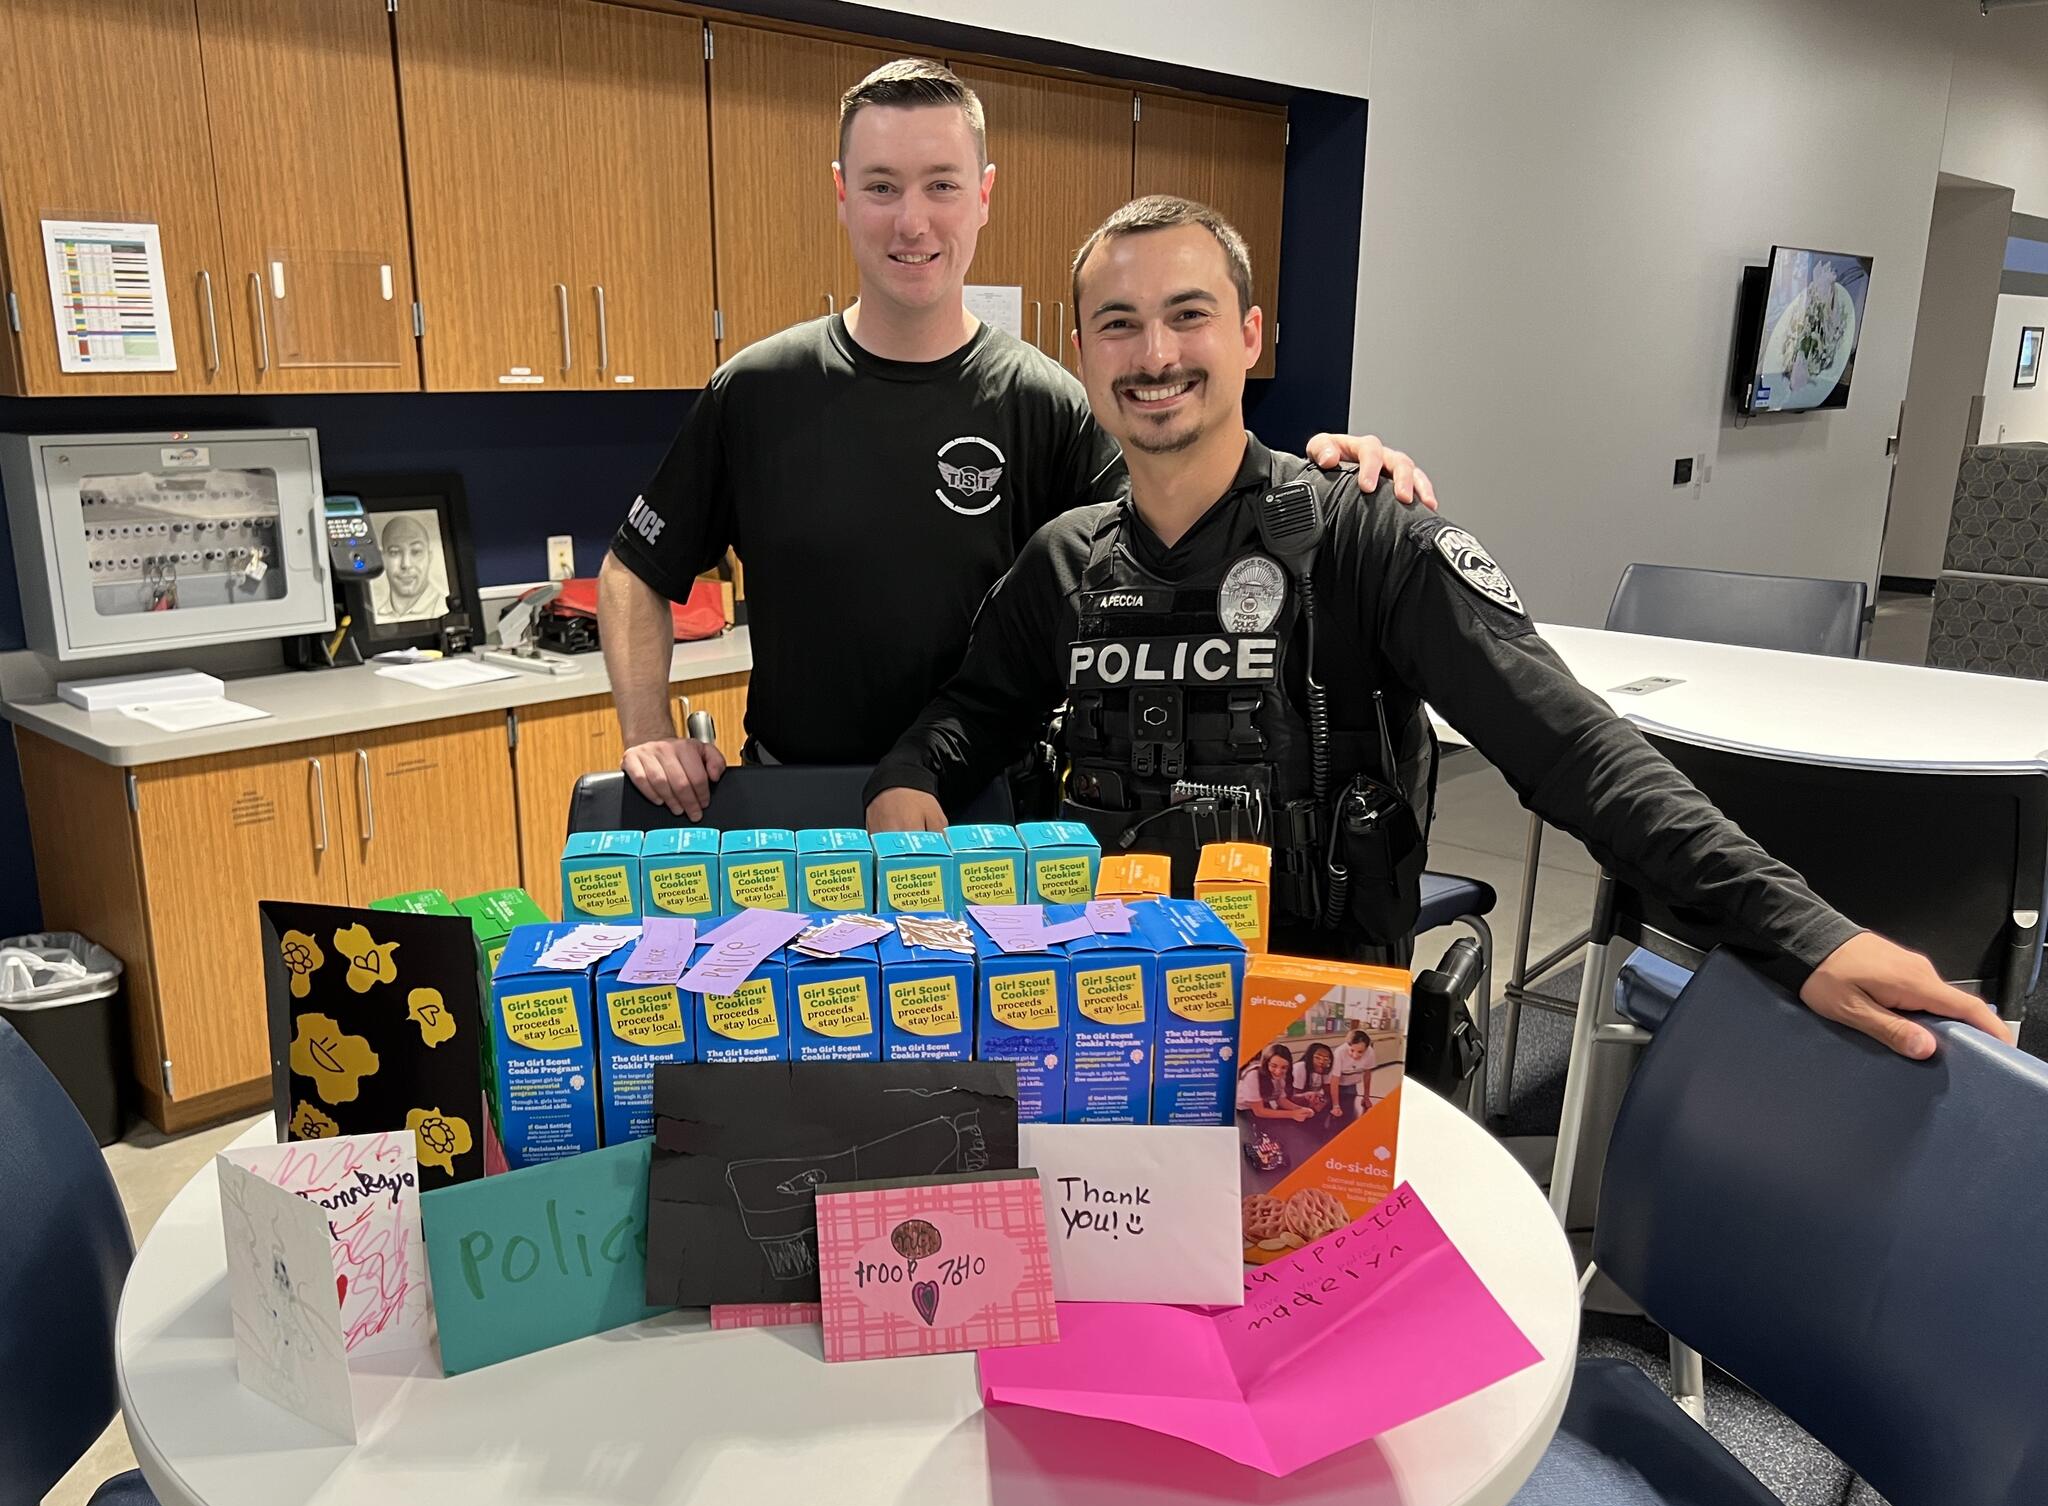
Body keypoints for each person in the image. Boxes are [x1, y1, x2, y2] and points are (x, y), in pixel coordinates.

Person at [865, 193, 2014, 1062]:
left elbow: (1575, 753)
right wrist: (912, 777)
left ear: (1251, 335)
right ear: (1083, 352)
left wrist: (1801, 934)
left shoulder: (1367, 540)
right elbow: (975, 712)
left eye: (1187, 316)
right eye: (1118, 325)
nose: (1154, 354)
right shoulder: (1065, 558)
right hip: (1097, 1026)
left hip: (1312, 1046)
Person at [598, 58, 1433, 821]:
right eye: (883, 187)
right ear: (843, 194)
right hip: (794, 802)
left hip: (993, 806)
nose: (912, 221)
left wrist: (1316, 477)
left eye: (942, 186)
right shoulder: (757, 391)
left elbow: (1189, 523)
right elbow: (636, 569)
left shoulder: (1048, 402)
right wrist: (647, 730)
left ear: (985, 194)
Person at [373, 514, 447, 624]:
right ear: (383, 559)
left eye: (416, 552)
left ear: (429, 557)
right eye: (395, 552)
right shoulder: (376, 615)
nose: (406, 564)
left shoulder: (444, 609)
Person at [1236, 1045, 1312, 1121]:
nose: (1278, 1072)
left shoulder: (1284, 1076)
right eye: (1273, 1066)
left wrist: (1302, 1109)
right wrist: (1292, 1114)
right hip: (1241, 1110)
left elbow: (1281, 1100)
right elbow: (1259, 1112)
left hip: (1263, 1104)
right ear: (1266, 1063)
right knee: (1249, 1132)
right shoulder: (1253, 1075)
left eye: (1284, 1067)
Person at [1293, 1040, 1342, 1124]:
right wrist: (1307, 1097)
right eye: (1317, 1058)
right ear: (1309, 1057)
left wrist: (1323, 1102)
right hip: (1293, 1108)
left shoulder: (1325, 1070)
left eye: (1326, 1059)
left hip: (1310, 1110)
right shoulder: (1299, 1067)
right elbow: (1292, 1097)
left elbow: (1328, 1093)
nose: (1321, 1062)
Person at [1333, 1028, 1376, 1118]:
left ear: (1366, 1049)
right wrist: (1335, 1105)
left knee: (1350, 1113)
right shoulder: (1339, 1053)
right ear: (1347, 1045)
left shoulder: (1370, 1052)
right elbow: (1334, 1080)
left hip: (1351, 1084)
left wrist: (1366, 1097)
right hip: (1336, 1085)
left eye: (1360, 1052)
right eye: (1352, 1050)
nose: (1355, 1055)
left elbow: (1367, 1075)